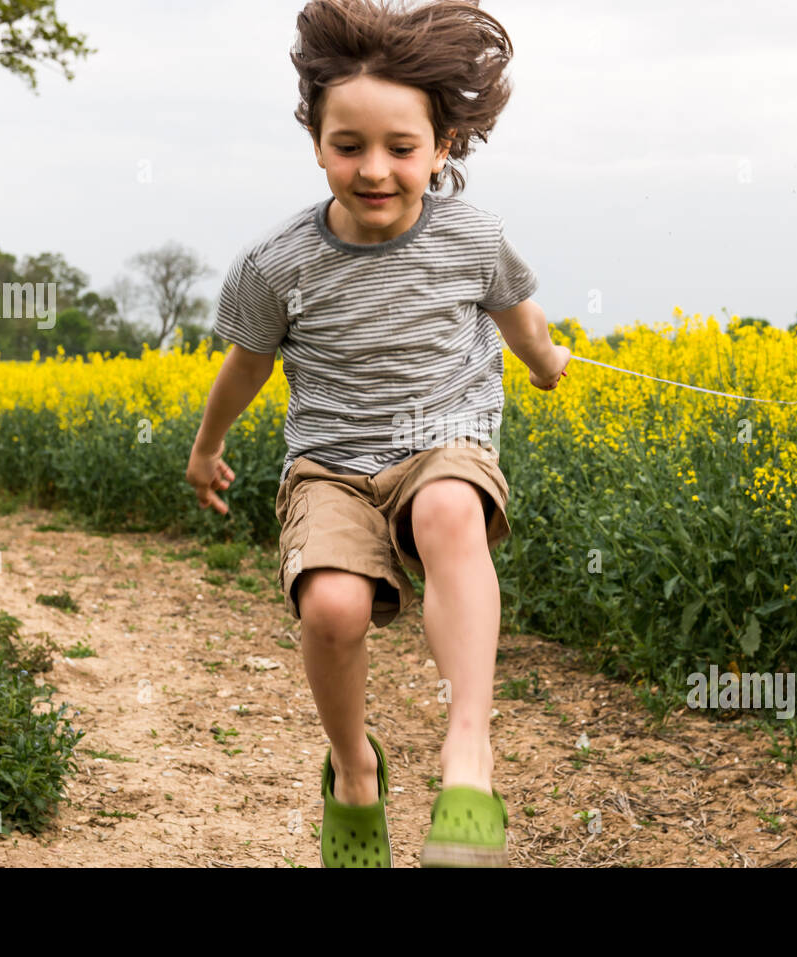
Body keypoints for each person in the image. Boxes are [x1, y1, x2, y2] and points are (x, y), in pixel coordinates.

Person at [185, 0, 570, 868]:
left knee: (447, 515)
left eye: (402, 148)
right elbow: (244, 369)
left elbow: (521, 318)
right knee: (331, 605)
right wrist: (206, 448)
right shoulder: (275, 264)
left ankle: (468, 758)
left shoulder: (472, 234)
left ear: (442, 148)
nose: (375, 169)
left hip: (445, 438)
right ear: (316, 142)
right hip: (330, 463)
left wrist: (547, 363)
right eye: (347, 145)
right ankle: (356, 773)